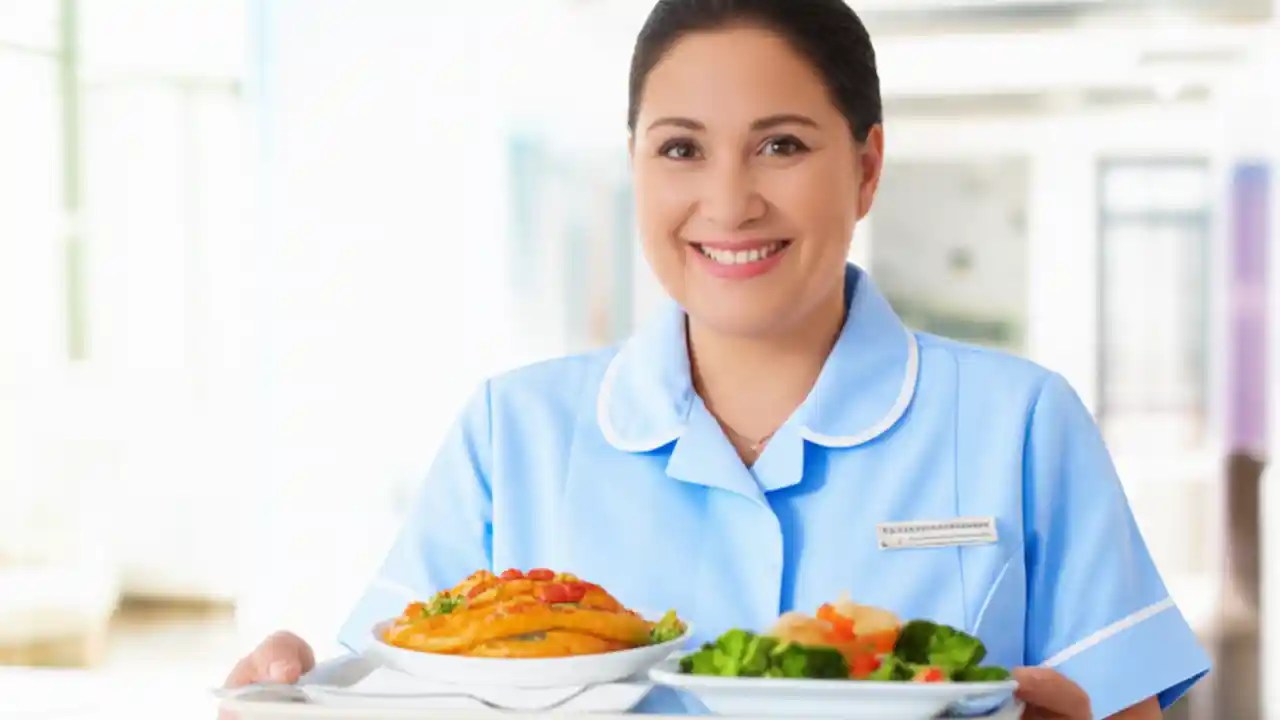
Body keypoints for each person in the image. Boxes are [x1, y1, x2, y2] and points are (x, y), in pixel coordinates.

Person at [224, 1, 1210, 717]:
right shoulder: (510, 431)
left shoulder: (1017, 422)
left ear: (864, 169)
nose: (728, 202)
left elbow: (1114, 707)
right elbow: (396, 691)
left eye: (779, 145)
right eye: (680, 149)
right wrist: (284, 697)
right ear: (634, 167)